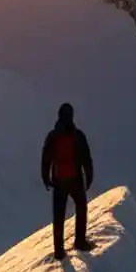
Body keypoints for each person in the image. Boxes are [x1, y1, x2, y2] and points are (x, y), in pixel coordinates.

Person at [41, 102, 94, 260]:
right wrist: (89, 177)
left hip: (59, 181)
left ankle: (59, 251)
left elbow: (46, 159)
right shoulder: (78, 135)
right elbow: (86, 158)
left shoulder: (52, 136)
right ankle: (80, 241)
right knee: (81, 207)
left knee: (58, 216)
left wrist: (46, 178)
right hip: (75, 179)